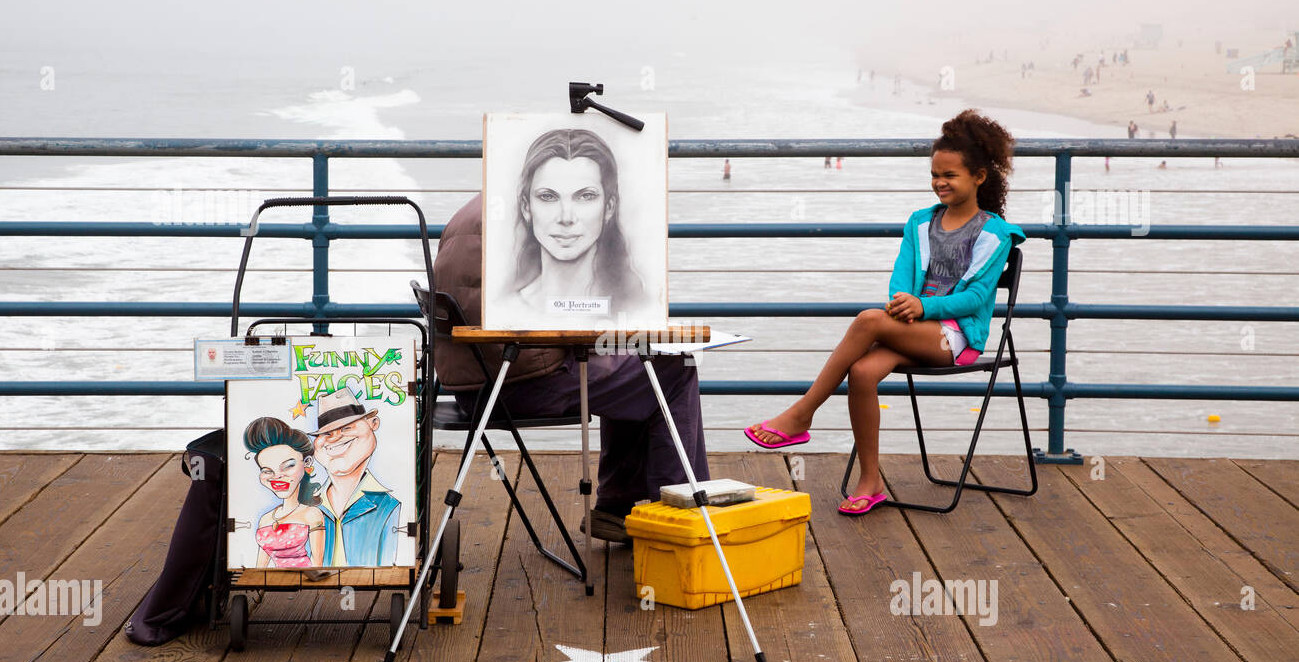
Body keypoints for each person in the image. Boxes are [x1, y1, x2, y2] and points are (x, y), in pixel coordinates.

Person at [744, 110, 1025, 516]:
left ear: (979, 176)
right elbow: (901, 275)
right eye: (935, 174)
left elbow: (977, 298)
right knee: (862, 371)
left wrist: (924, 305)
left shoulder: (994, 233)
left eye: (951, 175)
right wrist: (903, 301)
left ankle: (802, 414)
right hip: (912, 327)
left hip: (954, 337)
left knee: (867, 320)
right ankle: (870, 481)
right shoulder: (920, 222)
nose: (940, 183)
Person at [433, 194, 709, 543]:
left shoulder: (471, 211)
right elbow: (561, 314)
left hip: (471, 387)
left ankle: (618, 505)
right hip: (519, 383)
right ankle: (681, 518)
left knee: (629, 362)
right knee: (670, 367)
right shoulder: (529, 220)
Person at [499, 128, 650, 320]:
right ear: (526, 207)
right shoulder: (506, 309)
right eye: (548, 196)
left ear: (609, 207)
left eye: (586, 196)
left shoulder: (638, 307)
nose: (566, 217)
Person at [309, 388, 402, 566]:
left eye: (347, 427)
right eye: (327, 433)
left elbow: (390, 561)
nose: (335, 438)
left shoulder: (388, 506)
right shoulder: (307, 506)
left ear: (373, 424)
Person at [243, 417, 326, 568]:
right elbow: (260, 569)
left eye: (288, 466)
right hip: (274, 585)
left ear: (306, 462)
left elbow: (317, 565)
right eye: (267, 471)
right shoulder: (265, 519)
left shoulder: (311, 514)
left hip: (306, 583)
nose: (277, 477)